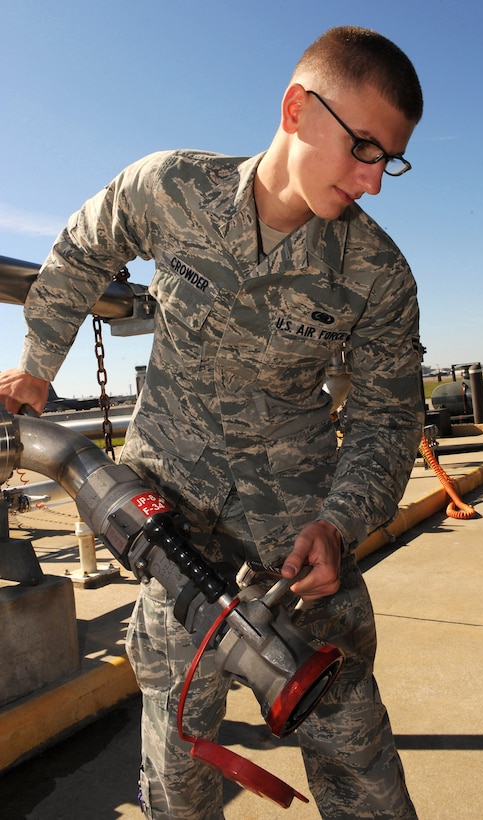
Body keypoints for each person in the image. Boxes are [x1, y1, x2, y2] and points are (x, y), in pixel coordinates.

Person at [0, 25, 424, 819]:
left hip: (295, 547)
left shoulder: (377, 275)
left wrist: (340, 524)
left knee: (356, 759)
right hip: (167, 528)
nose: (372, 182)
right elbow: (82, 250)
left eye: (387, 159)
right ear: (297, 108)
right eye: (362, 147)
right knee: (176, 760)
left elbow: (385, 418)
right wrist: (35, 365)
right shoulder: (172, 188)